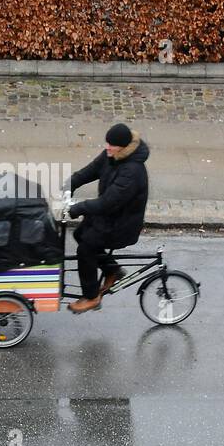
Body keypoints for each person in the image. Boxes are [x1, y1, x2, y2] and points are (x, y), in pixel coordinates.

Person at [65, 123, 150, 314]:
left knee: (86, 248)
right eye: (107, 143)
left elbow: (107, 202)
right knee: (80, 233)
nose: (107, 147)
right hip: (110, 217)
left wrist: (78, 208)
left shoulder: (132, 172)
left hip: (121, 224)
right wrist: (69, 184)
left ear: (123, 147)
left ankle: (92, 296)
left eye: (111, 145)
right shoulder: (112, 155)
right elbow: (90, 171)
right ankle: (112, 270)